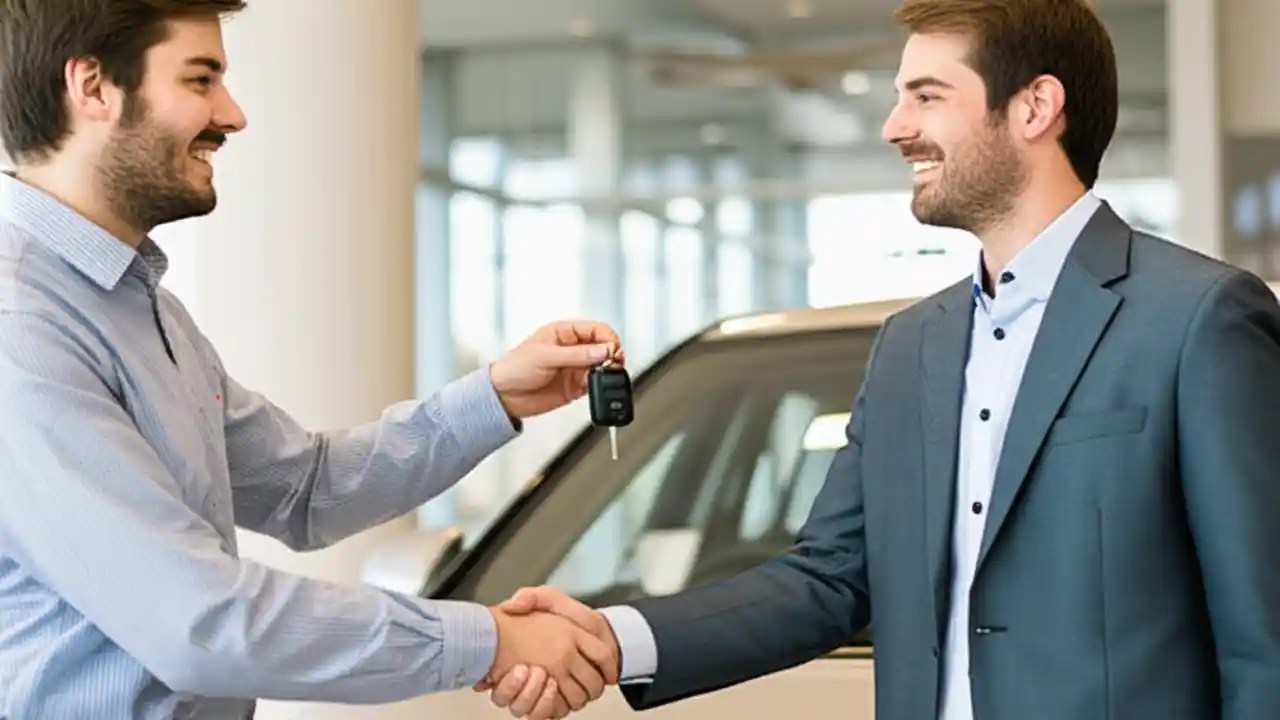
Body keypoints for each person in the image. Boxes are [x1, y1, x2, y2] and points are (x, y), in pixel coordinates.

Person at [481, 0, 1280, 718]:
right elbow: (828, 578)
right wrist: (616, 639)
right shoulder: (910, 348)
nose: (895, 126)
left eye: (927, 96)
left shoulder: (1199, 319)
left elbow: (1265, 639)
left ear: (1036, 106)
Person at [0, 1, 620, 718]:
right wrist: (490, 640)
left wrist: (496, 398)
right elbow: (199, 623)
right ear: (93, 88)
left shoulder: (142, 308)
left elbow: (306, 489)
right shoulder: (22, 328)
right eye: (201, 80)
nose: (232, 115)